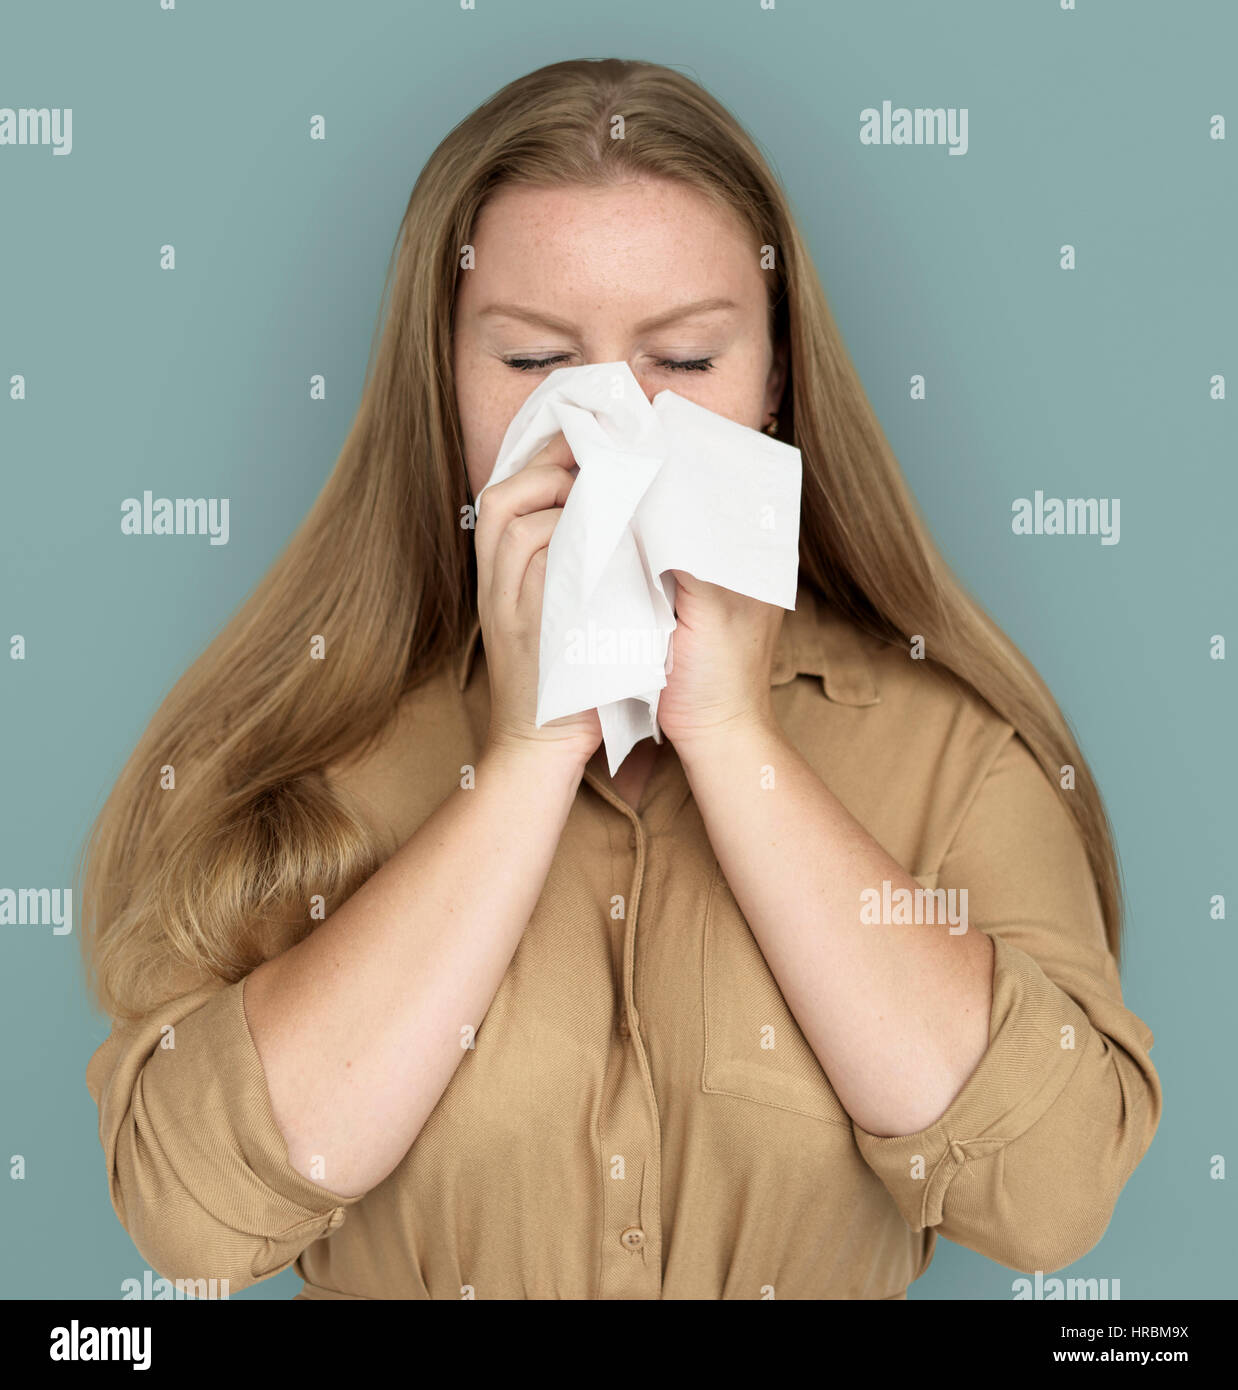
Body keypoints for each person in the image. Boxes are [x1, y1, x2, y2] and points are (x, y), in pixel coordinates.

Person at [81, 57, 1160, 1300]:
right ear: (443, 390)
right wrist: (533, 751)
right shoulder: (301, 747)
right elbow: (190, 1222)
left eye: (687, 363)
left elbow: (1055, 1191)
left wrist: (733, 739)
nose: (613, 430)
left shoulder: (948, 761)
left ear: (773, 386)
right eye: (538, 361)